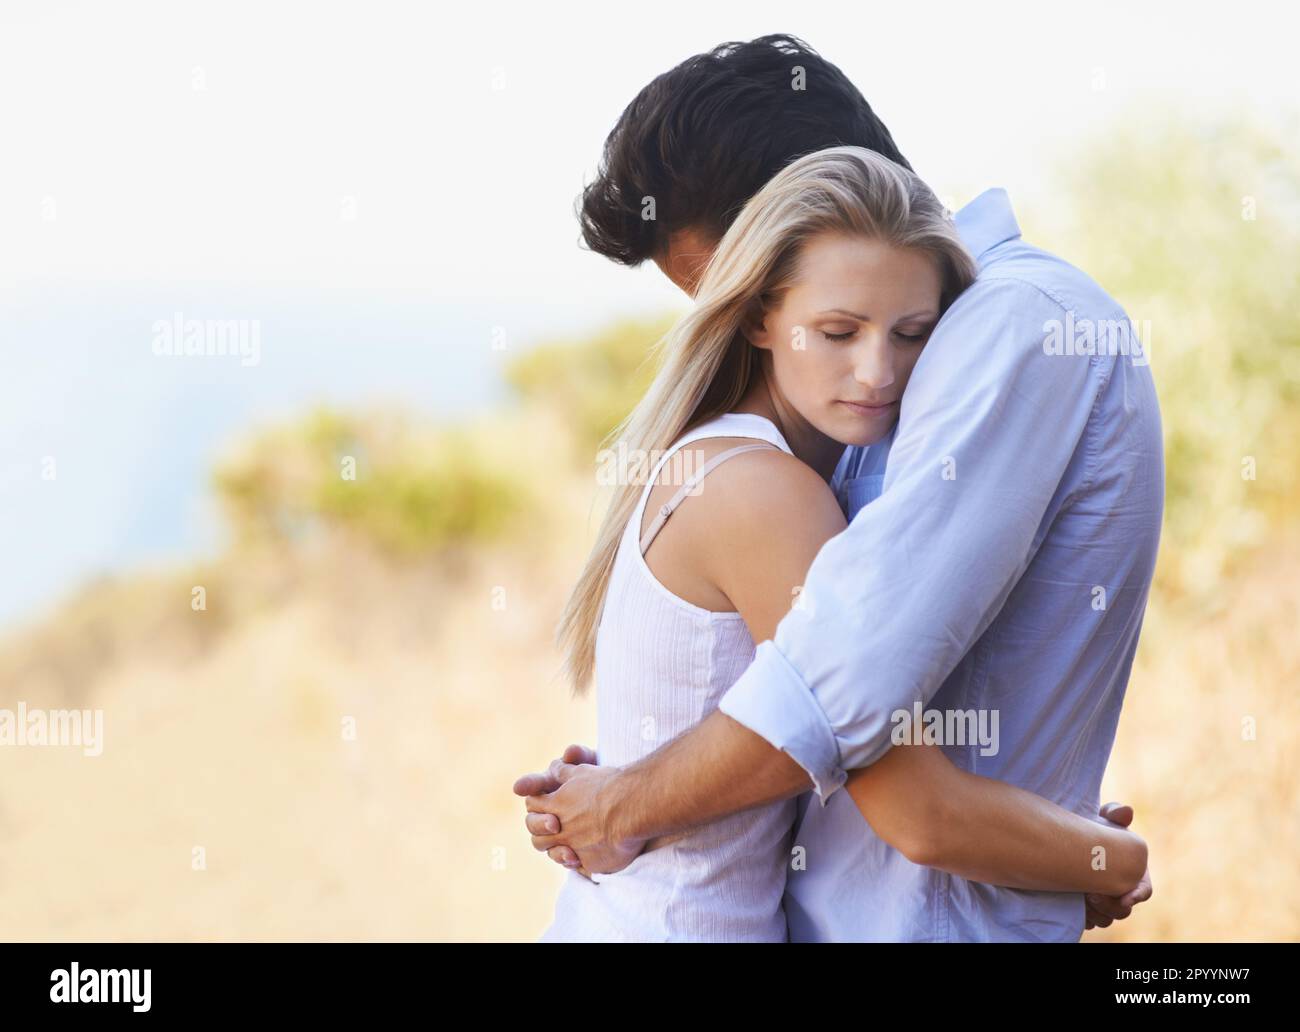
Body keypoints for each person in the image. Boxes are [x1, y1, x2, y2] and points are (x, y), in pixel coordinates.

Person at [516, 35, 1161, 942]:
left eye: (739, 295)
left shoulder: (1010, 327)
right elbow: (840, 714)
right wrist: (638, 786)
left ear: (805, 213)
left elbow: (841, 689)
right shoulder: (842, 411)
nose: (745, 336)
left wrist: (627, 801)